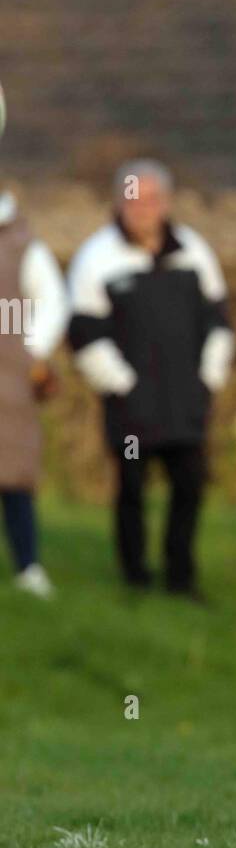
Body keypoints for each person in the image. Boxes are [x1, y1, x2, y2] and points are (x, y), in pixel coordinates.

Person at [68, 160, 234, 598]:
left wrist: (208, 379)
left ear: (167, 202)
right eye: (133, 200)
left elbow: (218, 322)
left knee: (190, 485)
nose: (142, 209)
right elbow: (85, 335)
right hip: (131, 406)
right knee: (132, 489)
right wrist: (123, 384)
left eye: (151, 200)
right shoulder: (96, 258)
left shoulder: (194, 252)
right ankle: (135, 577)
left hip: (187, 400)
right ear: (118, 203)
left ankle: (181, 577)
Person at [0, 187, 68, 596]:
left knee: (14, 474)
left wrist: (32, 352)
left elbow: (52, 299)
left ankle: (28, 567)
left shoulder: (21, 243)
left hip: (9, 379)